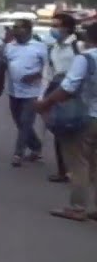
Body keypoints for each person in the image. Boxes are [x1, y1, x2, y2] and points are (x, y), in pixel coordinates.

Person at [34, 20, 97, 222]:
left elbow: (68, 87)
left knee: (79, 163)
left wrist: (46, 103)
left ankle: (78, 208)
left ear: (89, 38)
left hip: (85, 116)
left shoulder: (85, 59)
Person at [4, 18, 49, 166]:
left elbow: (48, 68)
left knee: (25, 122)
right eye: (14, 27)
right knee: (20, 122)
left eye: (18, 27)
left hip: (32, 92)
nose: (15, 30)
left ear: (28, 30)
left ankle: (18, 154)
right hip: (14, 91)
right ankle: (36, 147)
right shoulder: (10, 46)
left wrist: (35, 75)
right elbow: (2, 63)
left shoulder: (40, 47)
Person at [45, 13, 80, 182]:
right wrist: (42, 97)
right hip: (58, 92)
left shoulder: (78, 46)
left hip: (77, 95)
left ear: (67, 27)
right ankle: (63, 170)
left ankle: (78, 171)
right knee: (59, 129)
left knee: (77, 132)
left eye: (57, 25)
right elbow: (48, 73)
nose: (53, 29)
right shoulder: (53, 48)